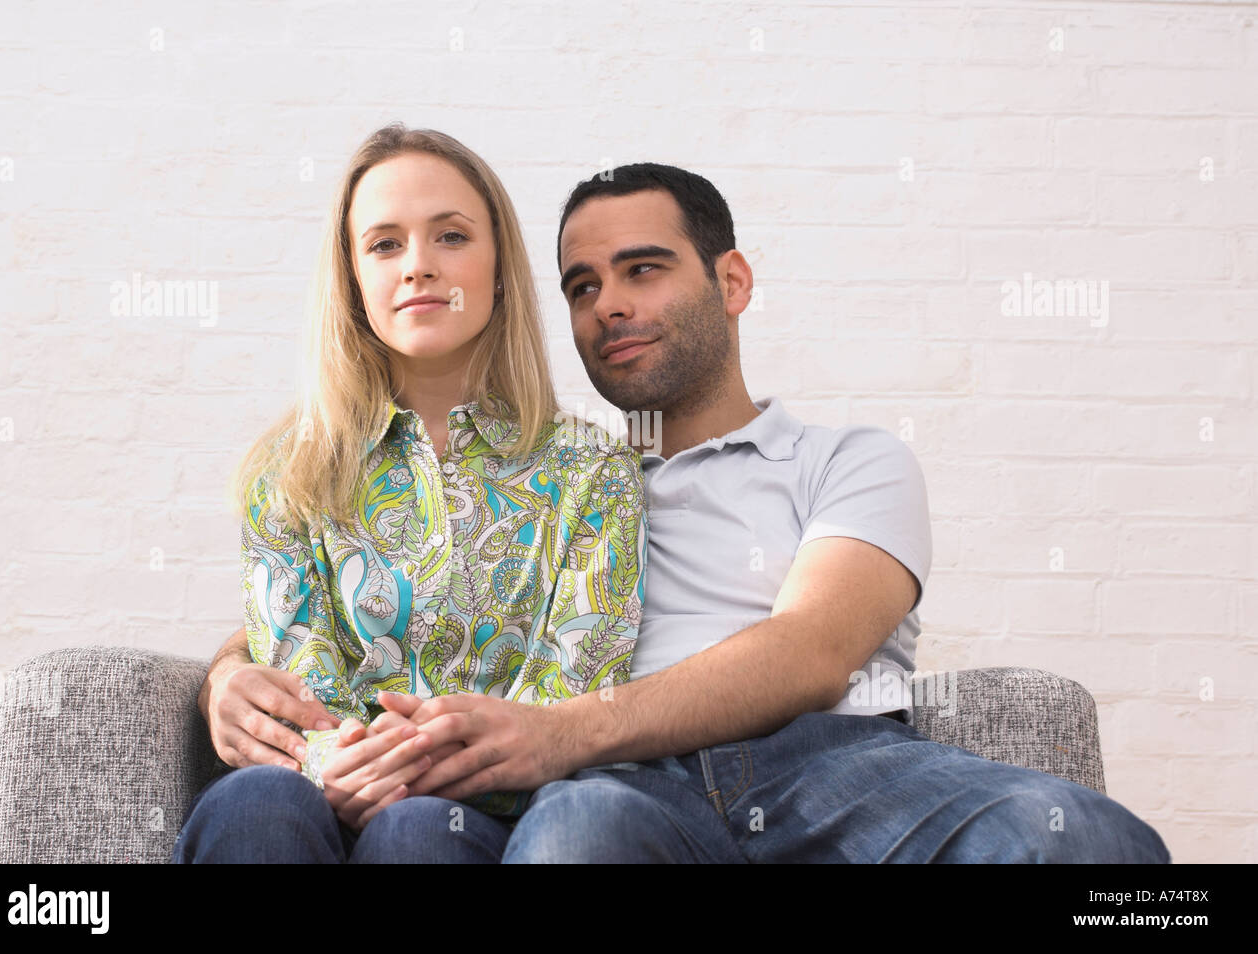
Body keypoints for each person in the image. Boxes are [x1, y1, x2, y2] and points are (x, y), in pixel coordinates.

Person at [193, 160, 1172, 864]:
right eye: (584, 286)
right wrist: (226, 675)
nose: (609, 304)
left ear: (730, 282)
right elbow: (391, 604)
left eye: (643, 268)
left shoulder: (846, 459)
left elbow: (810, 651)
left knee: (1093, 842)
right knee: (576, 837)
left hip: (828, 763)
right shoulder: (559, 485)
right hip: (618, 791)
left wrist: (569, 730)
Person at [170, 124, 647, 863]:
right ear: (354, 280)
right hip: (313, 794)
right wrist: (335, 761)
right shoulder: (289, 470)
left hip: (493, 817)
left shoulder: (595, 473)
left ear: (498, 271)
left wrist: (421, 772)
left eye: (450, 237)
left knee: (418, 826)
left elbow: (577, 689)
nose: (418, 266)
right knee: (255, 801)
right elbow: (299, 676)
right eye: (385, 244)